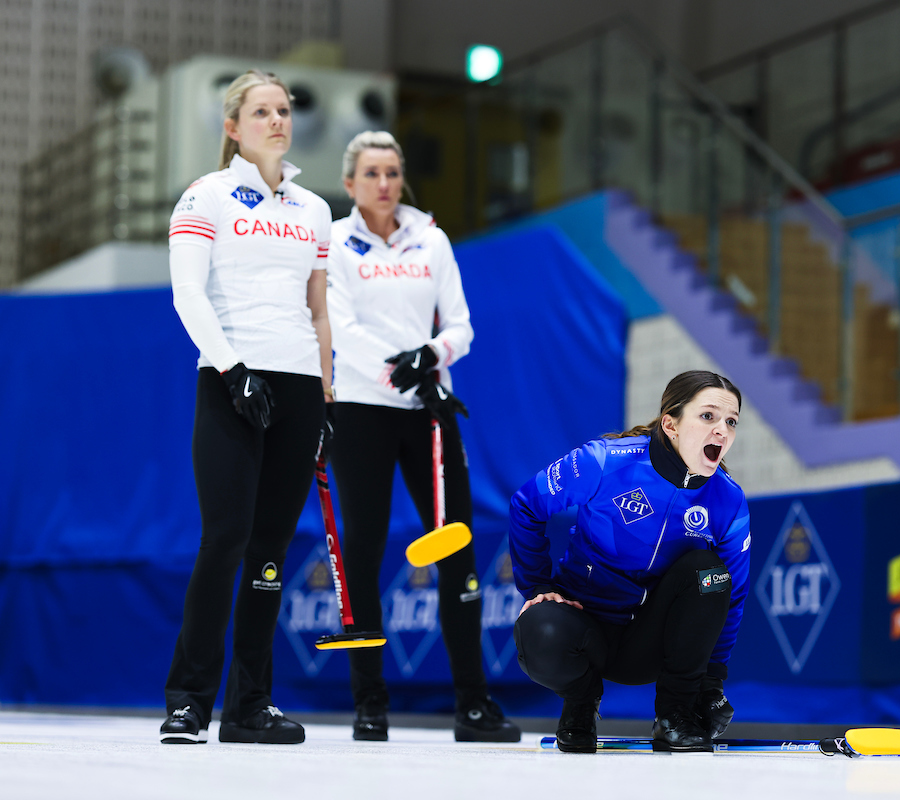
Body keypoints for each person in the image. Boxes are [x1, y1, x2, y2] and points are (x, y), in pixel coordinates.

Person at [323, 130, 520, 743]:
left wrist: (430, 355)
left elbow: (461, 325)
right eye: (371, 173)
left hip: (429, 410)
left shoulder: (431, 239)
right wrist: (400, 366)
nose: (384, 183)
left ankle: (474, 704)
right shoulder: (334, 241)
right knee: (363, 549)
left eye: (392, 172)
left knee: (455, 547)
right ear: (351, 182)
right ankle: (369, 703)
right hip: (358, 410)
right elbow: (338, 324)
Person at [160, 70, 334, 745]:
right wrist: (234, 370)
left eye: (284, 110)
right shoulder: (205, 196)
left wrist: (327, 393)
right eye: (262, 111)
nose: (278, 120)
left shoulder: (314, 209)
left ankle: (249, 706)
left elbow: (319, 310)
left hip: (297, 387)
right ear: (233, 126)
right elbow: (187, 294)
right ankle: (188, 700)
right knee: (225, 540)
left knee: (271, 550)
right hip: (232, 380)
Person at [510, 370, 751, 753]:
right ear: (671, 424)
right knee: (540, 629)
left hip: (650, 643)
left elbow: (732, 595)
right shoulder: (604, 461)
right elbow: (527, 505)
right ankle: (580, 705)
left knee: (710, 574)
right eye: (708, 416)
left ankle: (675, 715)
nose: (722, 430)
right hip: (583, 626)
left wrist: (712, 682)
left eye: (731, 421)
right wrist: (538, 587)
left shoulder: (729, 501)